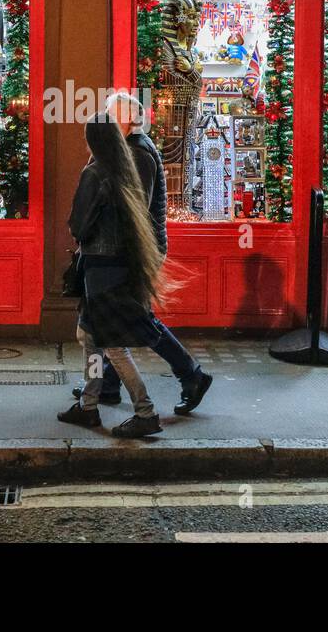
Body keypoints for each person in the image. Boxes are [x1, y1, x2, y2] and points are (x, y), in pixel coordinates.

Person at [70, 92, 213, 416]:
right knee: (101, 325)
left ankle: (190, 376)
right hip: (125, 252)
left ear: (129, 120)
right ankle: (107, 384)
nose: (107, 122)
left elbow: (135, 210)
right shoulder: (124, 151)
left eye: (111, 116)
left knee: (136, 321)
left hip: (134, 252)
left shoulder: (138, 154)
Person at [58, 114, 169, 438]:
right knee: (89, 336)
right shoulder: (126, 170)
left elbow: (78, 224)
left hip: (100, 266)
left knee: (112, 345)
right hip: (120, 264)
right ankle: (89, 405)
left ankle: (145, 411)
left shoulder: (95, 172)